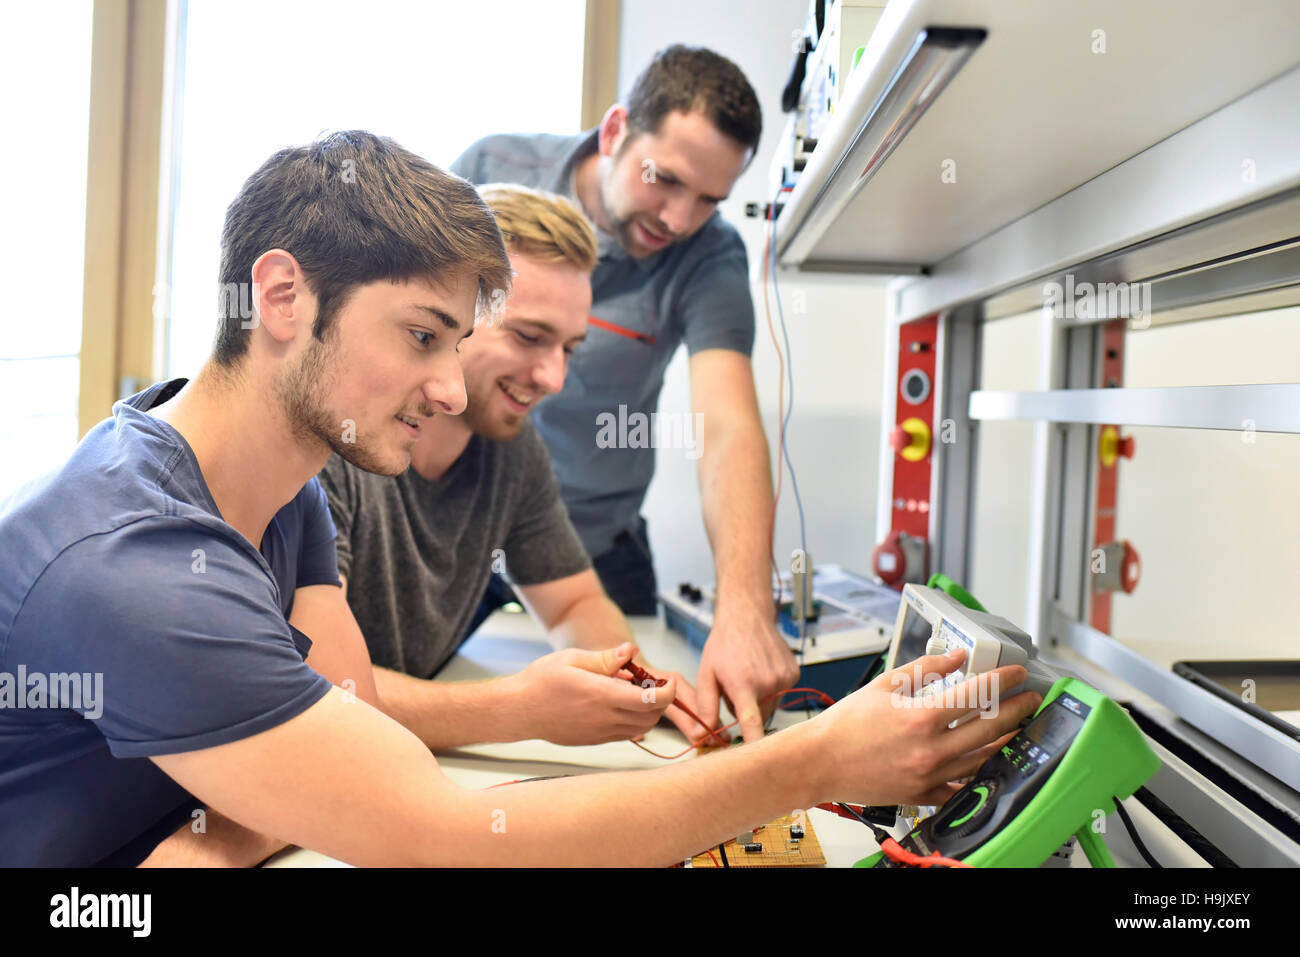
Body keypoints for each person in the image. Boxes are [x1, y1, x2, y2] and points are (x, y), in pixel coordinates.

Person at [0, 131, 1039, 867]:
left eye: (457, 343)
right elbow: (434, 834)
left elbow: (358, 733)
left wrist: (228, 827)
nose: (452, 389)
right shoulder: (131, 562)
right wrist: (812, 763)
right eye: (421, 335)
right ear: (281, 298)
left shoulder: (286, 487)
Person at [451, 45, 801, 743]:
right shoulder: (489, 174)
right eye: (665, 179)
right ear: (614, 134)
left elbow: (726, 425)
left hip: (595, 542)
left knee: (649, 726)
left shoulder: (709, 258)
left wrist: (744, 607)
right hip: (457, 528)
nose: (678, 218)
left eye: (709, 200)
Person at [320, 183, 712, 747]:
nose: (553, 379)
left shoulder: (512, 452)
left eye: (570, 349)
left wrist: (628, 677)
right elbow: (322, 689)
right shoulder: (334, 446)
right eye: (529, 337)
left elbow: (574, 601)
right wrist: (518, 709)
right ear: (450, 315)